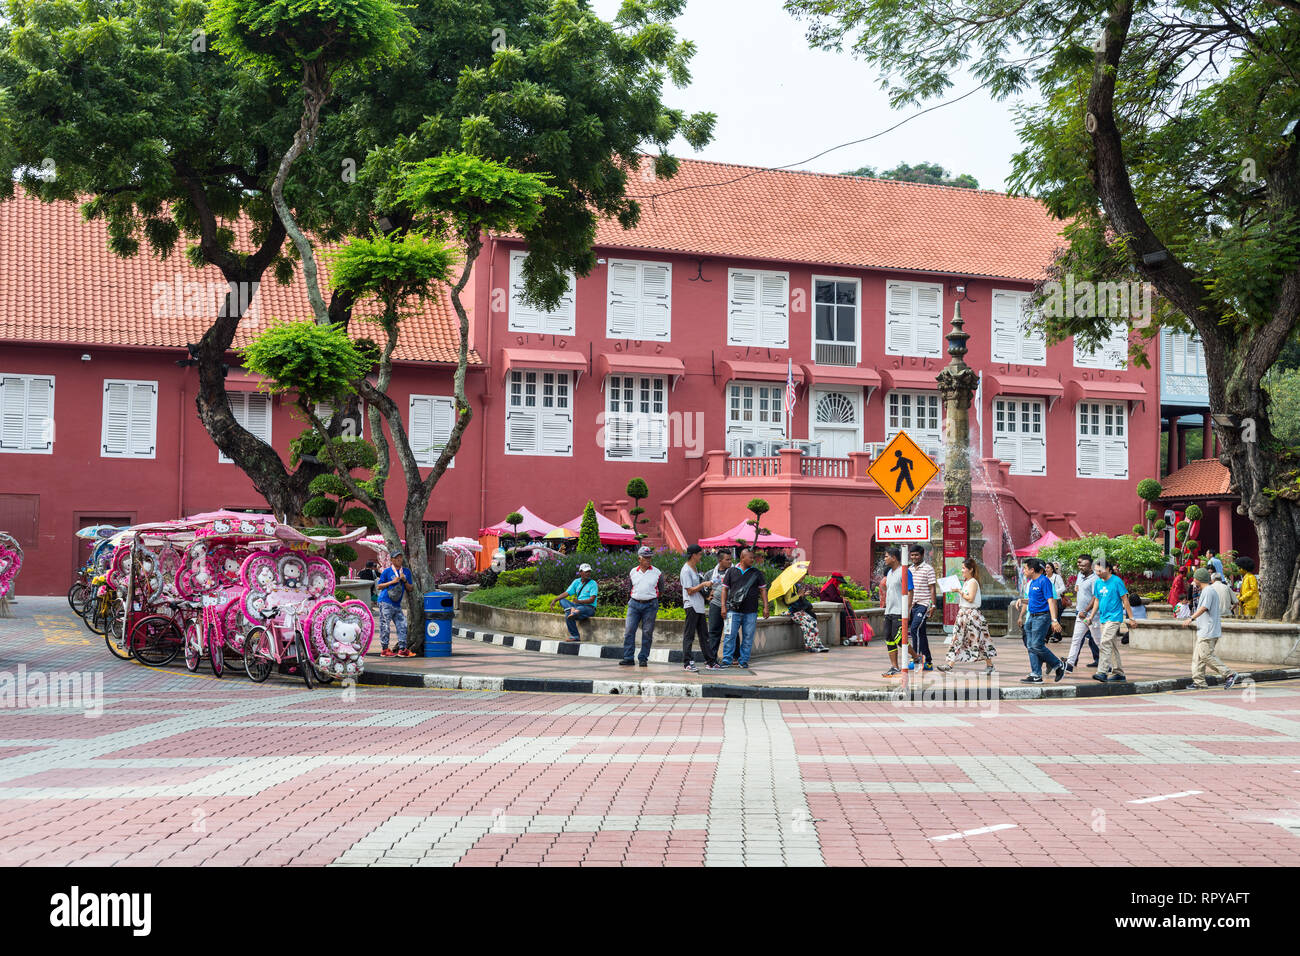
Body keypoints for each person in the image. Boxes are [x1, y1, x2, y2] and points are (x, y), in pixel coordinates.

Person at [935, 557, 996, 673]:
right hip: (963, 614)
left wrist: (959, 591)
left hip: (972, 615)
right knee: (957, 638)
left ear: (970, 569)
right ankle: (949, 664)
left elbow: (970, 598)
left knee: (980, 640)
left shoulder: (973, 582)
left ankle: (990, 665)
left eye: (963, 568)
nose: (962, 570)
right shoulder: (967, 582)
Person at [1183, 567, 1238, 690]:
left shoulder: (1208, 591)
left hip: (1208, 631)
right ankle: (1199, 682)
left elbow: (1204, 608)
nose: (1194, 581)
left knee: (1206, 656)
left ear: (1199, 579)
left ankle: (1229, 674)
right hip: (1204, 630)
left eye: (1195, 578)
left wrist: (1191, 618)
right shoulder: (1207, 590)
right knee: (1198, 658)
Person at [1082, 559, 1133, 682]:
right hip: (1103, 618)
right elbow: (1097, 601)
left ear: (1109, 569)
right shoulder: (1099, 583)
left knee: (1104, 642)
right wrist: (1091, 616)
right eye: (1096, 570)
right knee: (1112, 645)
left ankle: (1102, 672)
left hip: (1114, 617)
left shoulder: (1116, 581)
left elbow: (1125, 600)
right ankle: (1119, 673)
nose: (1098, 573)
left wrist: (1131, 618)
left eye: (1100, 570)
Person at [719, 547, 769, 670]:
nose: (753, 559)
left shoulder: (756, 573)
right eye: (750, 557)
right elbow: (724, 589)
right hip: (732, 611)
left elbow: (763, 590)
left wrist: (765, 607)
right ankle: (727, 660)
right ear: (742, 558)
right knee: (729, 635)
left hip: (751, 612)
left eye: (753, 557)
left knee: (748, 637)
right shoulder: (731, 571)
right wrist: (723, 607)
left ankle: (744, 660)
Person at [1017, 558, 1066, 683]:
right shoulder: (1032, 582)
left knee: (1036, 645)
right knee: (1030, 646)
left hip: (1041, 617)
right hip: (1031, 617)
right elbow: (1034, 600)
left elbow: (1050, 601)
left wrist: (1054, 620)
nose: (1023, 571)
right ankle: (1036, 674)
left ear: (1032, 570)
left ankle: (1058, 664)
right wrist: (1022, 601)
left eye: (1025, 568)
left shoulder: (1044, 581)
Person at [679, 545, 719, 671]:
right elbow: (690, 590)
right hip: (691, 605)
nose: (701, 556)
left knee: (704, 635)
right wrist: (703, 584)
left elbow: (697, 588)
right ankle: (687, 662)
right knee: (689, 635)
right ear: (693, 555)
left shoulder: (694, 569)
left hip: (699, 606)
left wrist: (707, 594)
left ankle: (710, 661)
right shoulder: (686, 571)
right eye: (700, 554)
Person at [620, 546, 661, 667]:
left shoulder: (657, 573)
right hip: (634, 604)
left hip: (650, 605)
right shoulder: (633, 572)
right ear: (639, 558)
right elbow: (630, 588)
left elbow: (661, 589)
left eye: (650, 558)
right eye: (646, 558)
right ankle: (628, 658)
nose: (648, 560)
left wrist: (650, 598)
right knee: (629, 631)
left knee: (647, 632)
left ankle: (643, 658)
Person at [1064, 554, 1101, 672]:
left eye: (1084, 566)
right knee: (1076, 639)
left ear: (1091, 567)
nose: (1081, 567)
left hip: (1092, 616)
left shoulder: (1095, 579)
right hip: (1081, 615)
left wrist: (1086, 611)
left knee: (1098, 641)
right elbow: (1078, 589)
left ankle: (1110, 664)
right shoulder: (1080, 575)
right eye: (1080, 565)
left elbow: (1096, 597)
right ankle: (1069, 664)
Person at [880, 547, 913, 677]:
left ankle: (916, 657)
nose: (884, 559)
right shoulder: (890, 573)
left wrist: (908, 610)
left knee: (899, 639)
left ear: (894, 558)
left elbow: (910, 591)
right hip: (889, 611)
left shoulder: (904, 572)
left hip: (900, 611)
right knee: (889, 639)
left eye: (886, 556)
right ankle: (894, 666)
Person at [376, 549, 415, 658]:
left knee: (402, 625)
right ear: (392, 560)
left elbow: (410, 589)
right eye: (396, 558)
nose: (399, 559)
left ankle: (402, 649)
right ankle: (384, 649)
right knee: (385, 625)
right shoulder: (387, 571)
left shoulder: (406, 572)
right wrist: (392, 582)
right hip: (385, 602)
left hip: (397, 604)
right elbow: (379, 586)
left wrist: (405, 580)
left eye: (401, 557)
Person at [907, 544, 938, 670]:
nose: (914, 557)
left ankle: (916, 658)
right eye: (912, 555)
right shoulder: (909, 569)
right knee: (921, 633)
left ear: (922, 555)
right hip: (912, 605)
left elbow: (932, 588)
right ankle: (928, 661)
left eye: (916, 555)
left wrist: (933, 605)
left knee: (914, 629)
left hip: (923, 604)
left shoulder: (928, 569)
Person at [550, 563, 598, 642]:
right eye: (586, 571)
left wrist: (579, 601)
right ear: (580, 572)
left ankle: (575, 635)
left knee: (572, 612)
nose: (588, 573)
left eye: (589, 571)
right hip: (577, 606)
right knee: (562, 600)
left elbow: (592, 600)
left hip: (589, 607)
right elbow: (567, 593)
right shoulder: (576, 582)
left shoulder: (593, 583)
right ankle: (572, 610)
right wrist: (555, 599)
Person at [818, 572, 861, 644]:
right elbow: (833, 598)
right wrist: (842, 599)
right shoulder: (830, 586)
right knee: (844, 615)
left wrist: (842, 598)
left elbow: (835, 597)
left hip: (833, 605)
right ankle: (844, 635)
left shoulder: (833, 586)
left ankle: (850, 634)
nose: (839, 583)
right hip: (829, 606)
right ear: (835, 580)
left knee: (849, 612)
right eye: (839, 581)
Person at [706, 551, 733, 658]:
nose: (730, 562)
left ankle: (735, 656)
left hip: (730, 606)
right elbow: (704, 588)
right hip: (715, 606)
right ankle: (712, 657)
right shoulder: (710, 574)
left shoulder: (734, 572)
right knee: (713, 632)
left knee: (731, 632)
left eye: (731, 559)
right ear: (720, 560)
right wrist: (708, 596)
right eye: (727, 560)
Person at [788, 583, 828, 652]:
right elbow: (788, 601)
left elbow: (797, 600)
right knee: (809, 623)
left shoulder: (795, 586)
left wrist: (803, 595)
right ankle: (810, 646)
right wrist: (799, 595)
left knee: (813, 621)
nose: (803, 577)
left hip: (798, 610)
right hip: (790, 611)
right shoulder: (788, 587)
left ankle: (816, 644)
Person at [1044, 561, 1068, 641]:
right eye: (1045, 568)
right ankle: (1056, 636)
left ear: (1052, 569)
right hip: (1047, 601)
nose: (1046, 569)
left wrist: (1053, 593)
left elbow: (1063, 588)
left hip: (1056, 601)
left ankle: (1050, 636)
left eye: (1048, 567)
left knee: (1055, 618)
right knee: (1049, 618)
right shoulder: (1044, 578)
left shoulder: (1057, 577)